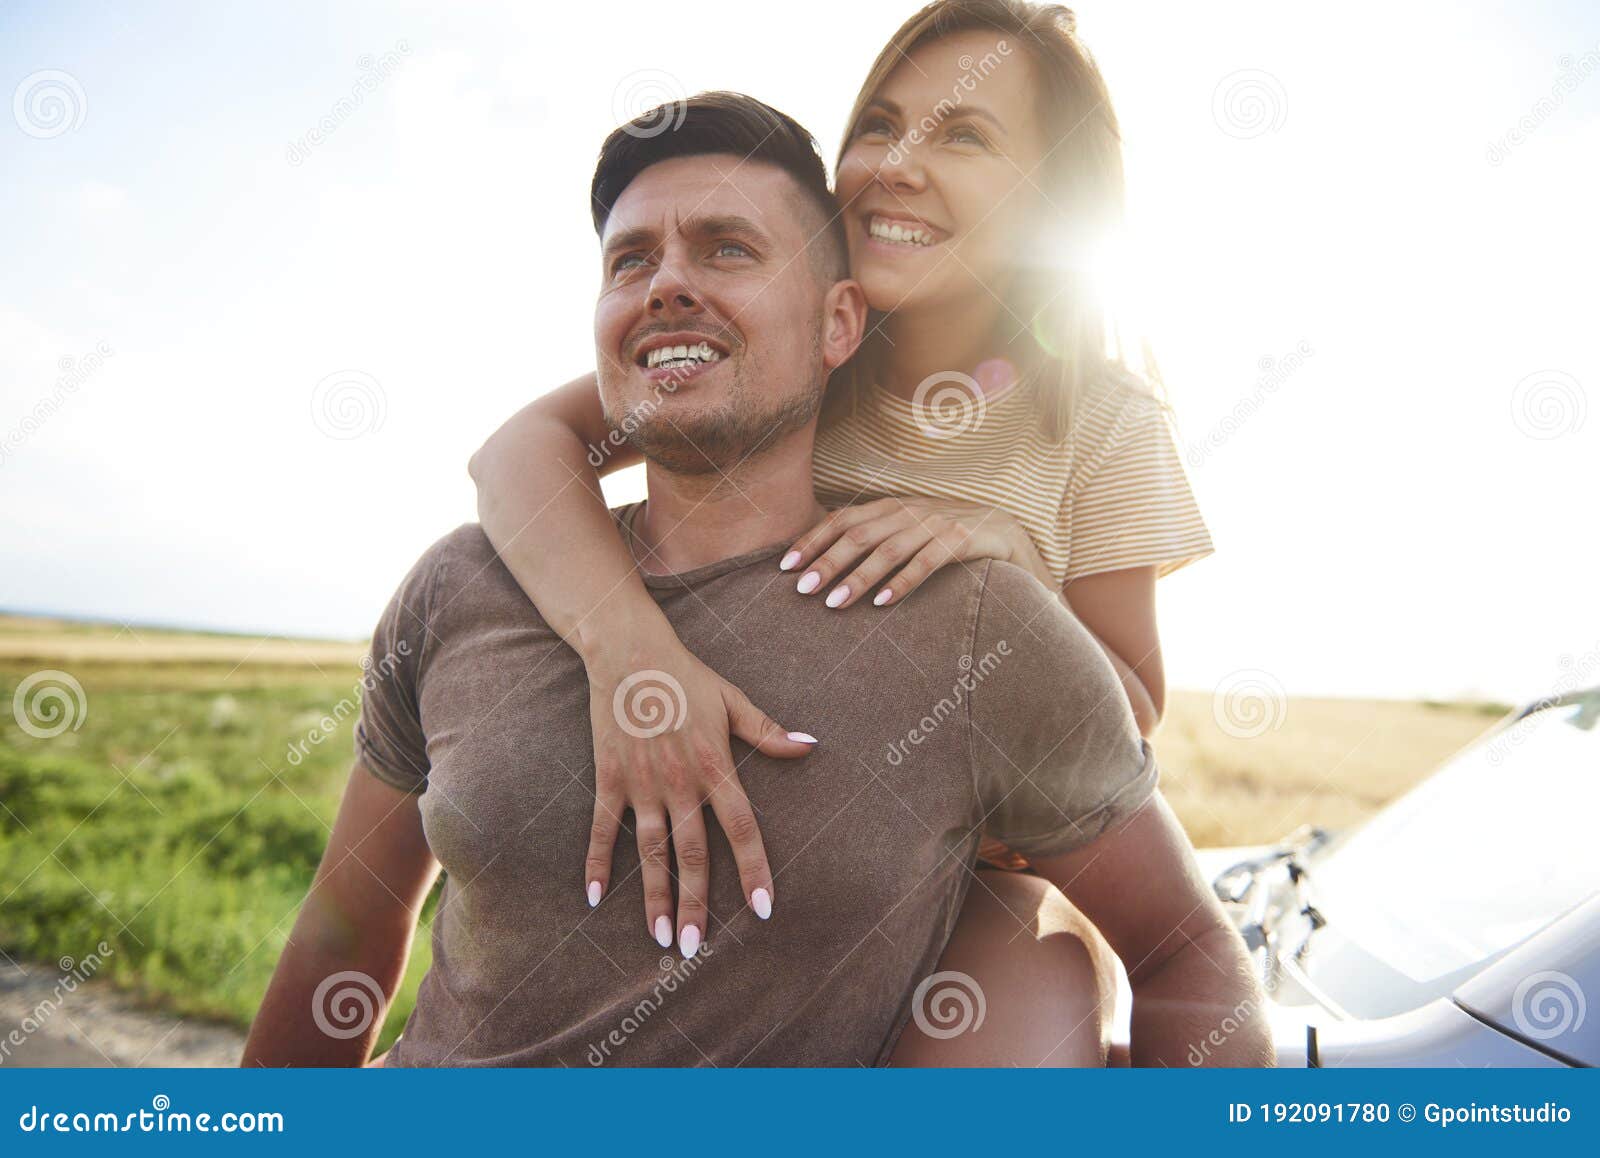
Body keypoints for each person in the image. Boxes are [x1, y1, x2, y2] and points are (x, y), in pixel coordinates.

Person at [241, 92, 1269, 1067]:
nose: (666, 285)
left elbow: (1186, 958)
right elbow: (347, 928)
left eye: (728, 249)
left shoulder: (971, 624)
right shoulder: (463, 583)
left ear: (837, 326)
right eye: (629, 260)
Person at [467, 0, 1215, 1052]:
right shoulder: (790, 352)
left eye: (962, 136)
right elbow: (515, 458)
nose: (895, 166)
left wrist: (1006, 561)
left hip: (979, 885)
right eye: (880, 125)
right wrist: (631, 653)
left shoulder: (1098, 420)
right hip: (787, 834)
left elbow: (1127, 713)